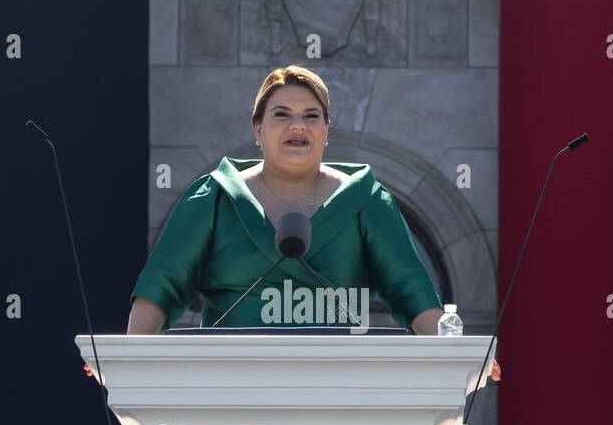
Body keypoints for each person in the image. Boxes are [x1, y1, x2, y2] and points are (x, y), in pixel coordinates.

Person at [127, 65, 444, 335]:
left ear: (326, 130)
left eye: (311, 115)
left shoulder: (368, 202)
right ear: (258, 128)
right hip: (230, 385)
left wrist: (465, 360)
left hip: (340, 385)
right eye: (282, 114)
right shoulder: (213, 197)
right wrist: (126, 362)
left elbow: (413, 293)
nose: (298, 125)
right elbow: (161, 287)